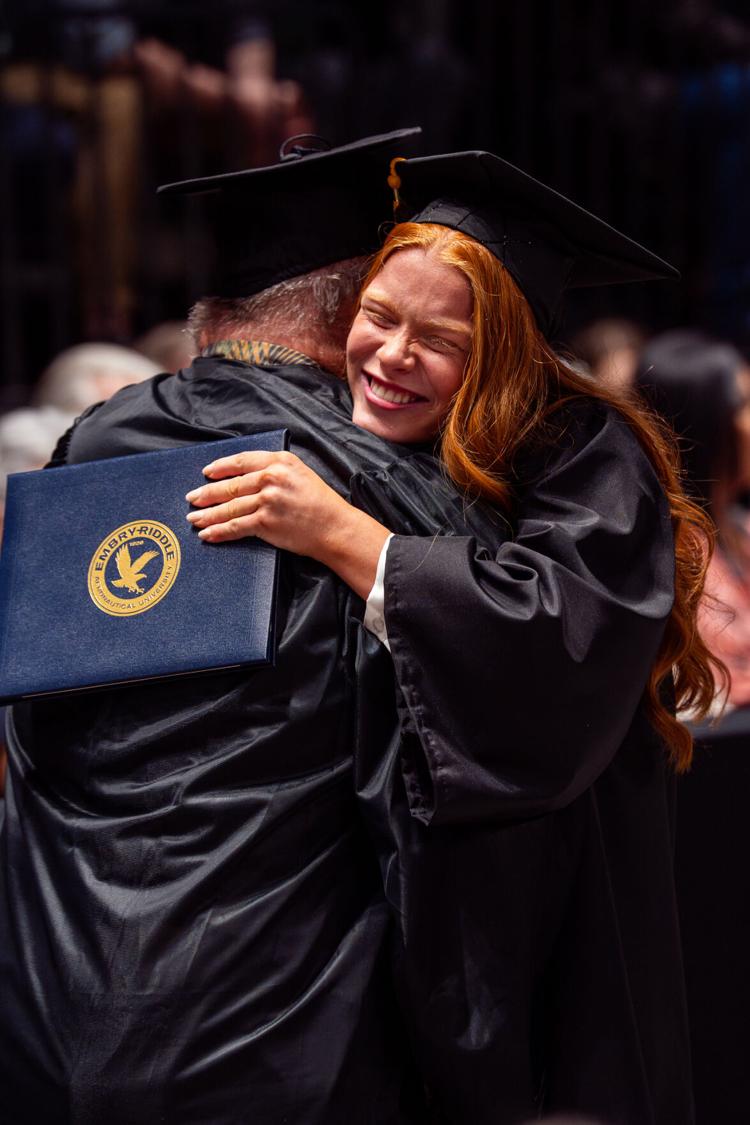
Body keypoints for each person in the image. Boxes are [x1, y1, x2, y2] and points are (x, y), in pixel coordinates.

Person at [185, 150, 719, 1123]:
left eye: (440, 339)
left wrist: (346, 535)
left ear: (504, 351)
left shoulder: (579, 449)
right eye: (379, 318)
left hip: (559, 892)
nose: (390, 356)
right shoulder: (372, 440)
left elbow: (555, 645)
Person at [0, 128, 493, 1125]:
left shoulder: (90, 443)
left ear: (211, 316)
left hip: (53, 1011)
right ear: (361, 316)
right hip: (290, 1034)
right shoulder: (387, 479)